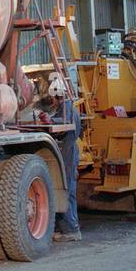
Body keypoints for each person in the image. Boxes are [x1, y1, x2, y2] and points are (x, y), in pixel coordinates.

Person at [52, 99, 83, 243]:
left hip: (68, 152)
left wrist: (49, 120)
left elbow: (64, 122)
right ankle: (67, 227)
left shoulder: (67, 108)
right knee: (68, 190)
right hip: (68, 151)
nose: (52, 101)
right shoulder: (67, 107)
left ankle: (71, 230)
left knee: (67, 189)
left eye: (52, 98)